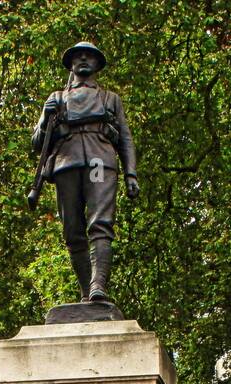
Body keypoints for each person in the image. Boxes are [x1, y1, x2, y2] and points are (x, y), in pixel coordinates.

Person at [31, 41, 138, 303]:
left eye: (89, 56)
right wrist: (45, 120)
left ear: (97, 64)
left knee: (100, 223)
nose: (82, 59)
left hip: (99, 164)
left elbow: (124, 137)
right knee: (72, 231)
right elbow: (36, 143)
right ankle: (85, 292)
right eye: (77, 56)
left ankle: (97, 285)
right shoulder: (56, 98)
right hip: (66, 164)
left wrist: (131, 174)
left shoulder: (110, 98)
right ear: (70, 65)